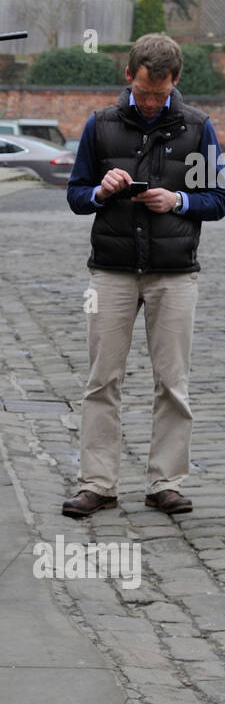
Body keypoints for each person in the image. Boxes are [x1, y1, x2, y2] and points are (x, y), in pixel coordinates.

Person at [63, 32, 225, 519]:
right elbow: (75, 195)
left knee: (172, 382)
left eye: (161, 93)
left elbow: (218, 199)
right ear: (128, 77)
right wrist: (101, 191)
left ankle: (165, 482)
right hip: (110, 271)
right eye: (143, 92)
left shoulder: (198, 129)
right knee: (101, 380)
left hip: (174, 274)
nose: (152, 102)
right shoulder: (101, 125)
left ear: (175, 82)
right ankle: (98, 484)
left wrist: (178, 200)